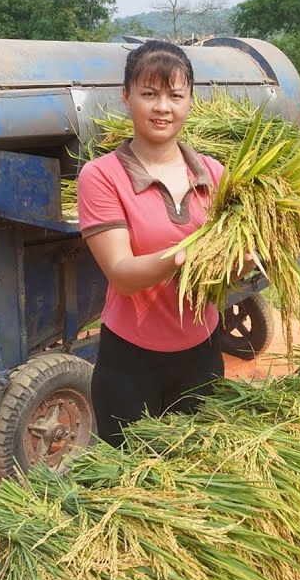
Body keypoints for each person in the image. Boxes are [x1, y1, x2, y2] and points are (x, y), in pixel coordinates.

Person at [77, 40, 228, 449]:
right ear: (127, 98)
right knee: (128, 485)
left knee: (198, 473)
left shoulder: (214, 173)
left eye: (175, 95)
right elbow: (122, 275)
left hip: (203, 350)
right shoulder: (102, 176)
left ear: (190, 101)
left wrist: (244, 257)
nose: (163, 107)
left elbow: (227, 262)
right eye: (149, 94)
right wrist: (186, 255)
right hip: (132, 360)